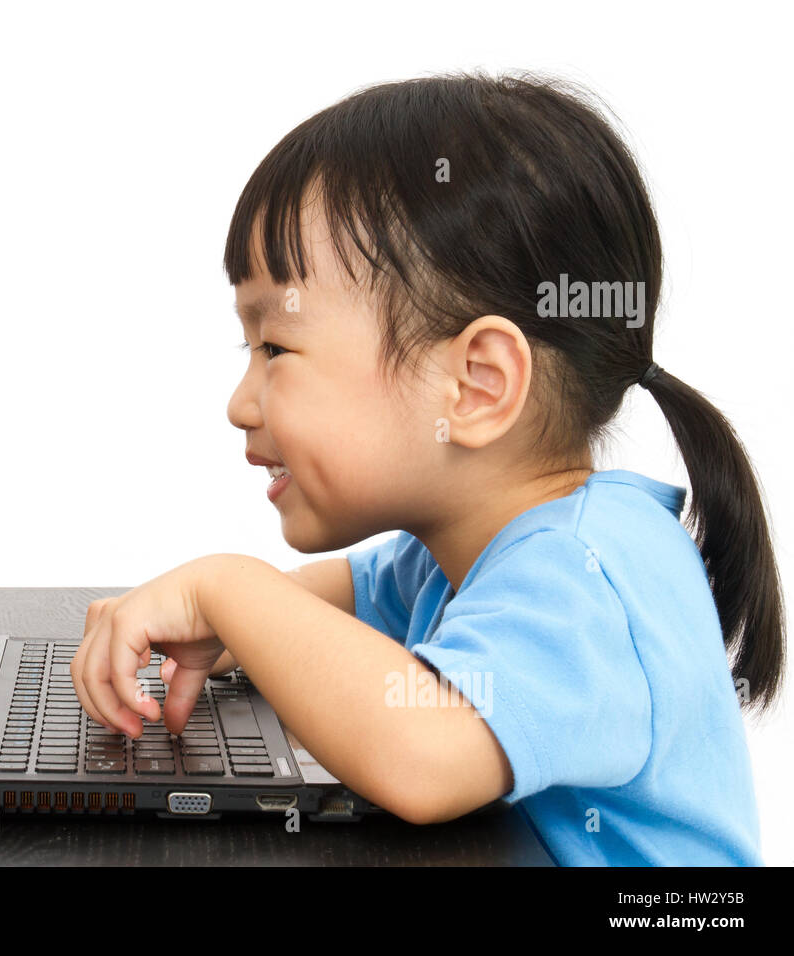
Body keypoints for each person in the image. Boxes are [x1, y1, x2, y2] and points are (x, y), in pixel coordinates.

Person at [70, 71, 783, 865]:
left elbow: (420, 753)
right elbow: (345, 602)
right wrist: (214, 627)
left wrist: (224, 589)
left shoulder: (587, 577)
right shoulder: (464, 551)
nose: (241, 403)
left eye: (276, 347)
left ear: (476, 384)